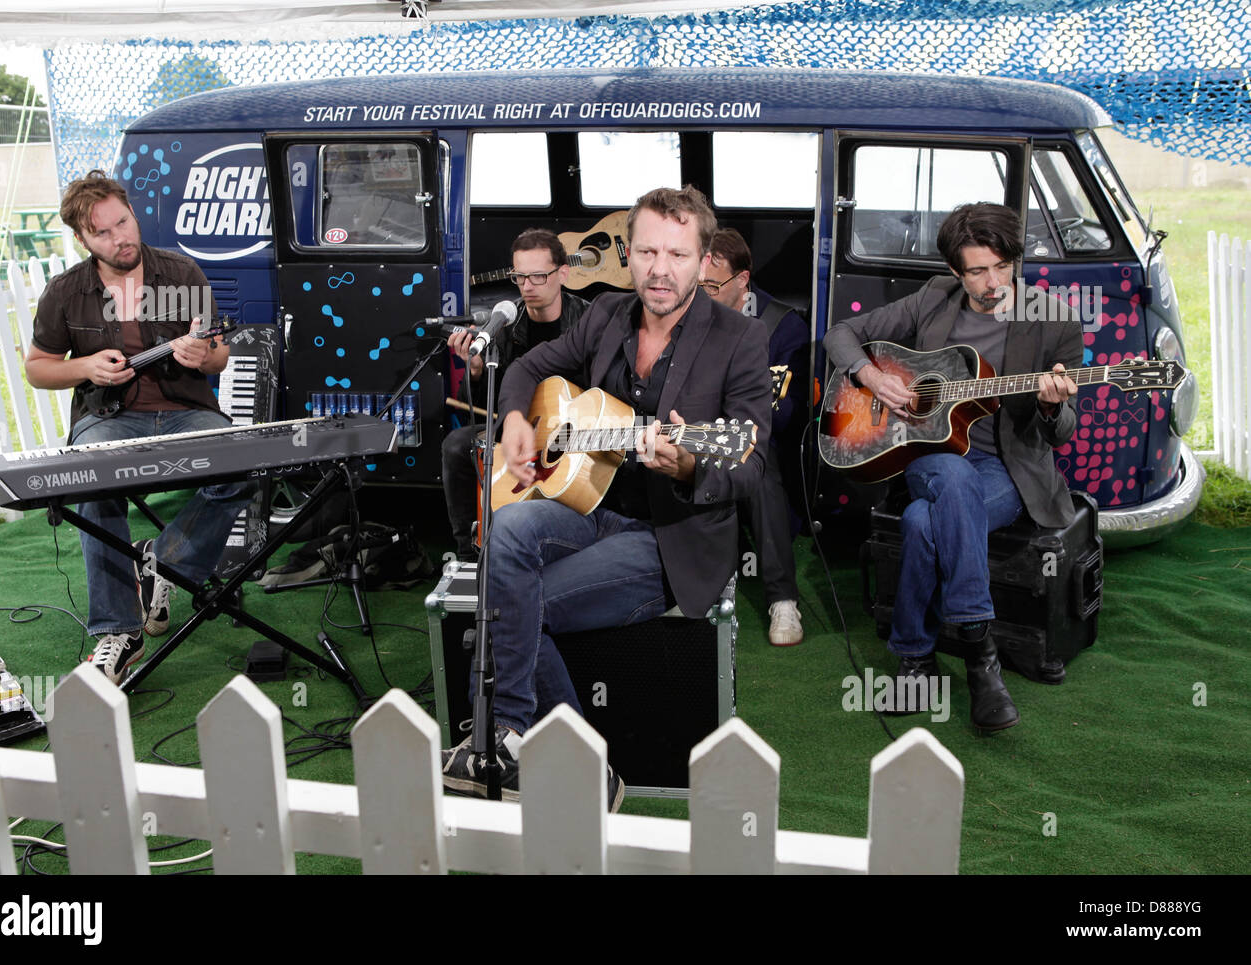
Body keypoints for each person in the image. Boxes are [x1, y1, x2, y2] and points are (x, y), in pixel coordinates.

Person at [440, 186, 772, 808]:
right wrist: (515, 419)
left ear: (703, 261)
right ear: (628, 253)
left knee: (511, 601)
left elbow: (748, 465)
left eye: (676, 254)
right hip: (589, 508)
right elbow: (527, 370)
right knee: (504, 534)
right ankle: (537, 743)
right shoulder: (605, 315)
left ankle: (537, 745)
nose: (659, 268)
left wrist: (689, 464)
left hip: (668, 539)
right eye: (646, 250)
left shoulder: (740, 340)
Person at [821, 202, 1081, 731]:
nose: (993, 282)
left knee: (923, 523)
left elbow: (1062, 431)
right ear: (956, 272)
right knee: (952, 477)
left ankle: (913, 660)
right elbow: (840, 335)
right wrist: (871, 377)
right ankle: (981, 659)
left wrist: (1053, 405)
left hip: (1007, 469)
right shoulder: (934, 298)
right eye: (978, 271)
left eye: (1002, 266)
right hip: (929, 456)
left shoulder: (1052, 317)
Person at [24, 170, 250, 685]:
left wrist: (203, 353)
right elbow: (37, 368)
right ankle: (118, 632)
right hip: (107, 418)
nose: (120, 238)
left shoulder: (180, 273)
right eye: (103, 232)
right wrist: (84, 368)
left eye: (123, 222)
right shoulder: (66, 292)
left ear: (132, 212)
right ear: (82, 239)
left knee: (242, 466)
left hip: (183, 408)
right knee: (94, 480)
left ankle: (164, 564)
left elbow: (218, 356)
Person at [441, 229, 590, 561]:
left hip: (573, 433)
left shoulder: (587, 321)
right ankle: (470, 552)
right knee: (456, 445)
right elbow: (483, 409)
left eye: (538, 276)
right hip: (517, 427)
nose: (527, 286)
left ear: (563, 273)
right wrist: (477, 371)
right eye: (520, 276)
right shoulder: (506, 325)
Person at [702, 228, 810, 646]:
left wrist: (749, 415)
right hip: (695, 435)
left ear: (742, 280)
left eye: (712, 285)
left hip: (755, 443)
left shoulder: (783, 328)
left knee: (760, 469)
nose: (703, 293)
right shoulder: (685, 315)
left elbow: (788, 418)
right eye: (698, 284)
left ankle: (783, 600)